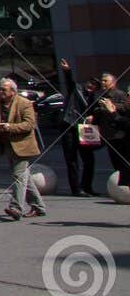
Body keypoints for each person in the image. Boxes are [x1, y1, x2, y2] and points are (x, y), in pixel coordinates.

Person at [0, 76, 46, 220]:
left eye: (4, 90)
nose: (1, 92)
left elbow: (29, 124)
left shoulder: (24, 103)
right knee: (24, 177)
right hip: (7, 144)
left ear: (13, 92)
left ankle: (16, 207)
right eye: (0, 89)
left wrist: (10, 127)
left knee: (18, 176)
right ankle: (38, 206)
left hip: (23, 145)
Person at [60, 60, 99, 196]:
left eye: (95, 85)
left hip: (84, 130)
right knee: (72, 160)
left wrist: (92, 116)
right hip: (69, 127)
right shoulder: (76, 89)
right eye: (90, 83)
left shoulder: (94, 99)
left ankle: (87, 186)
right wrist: (67, 71)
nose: (91, 86)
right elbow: (69, 81)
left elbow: (96, 112)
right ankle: (76, 189)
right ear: (87, 83)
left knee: (89, 160)